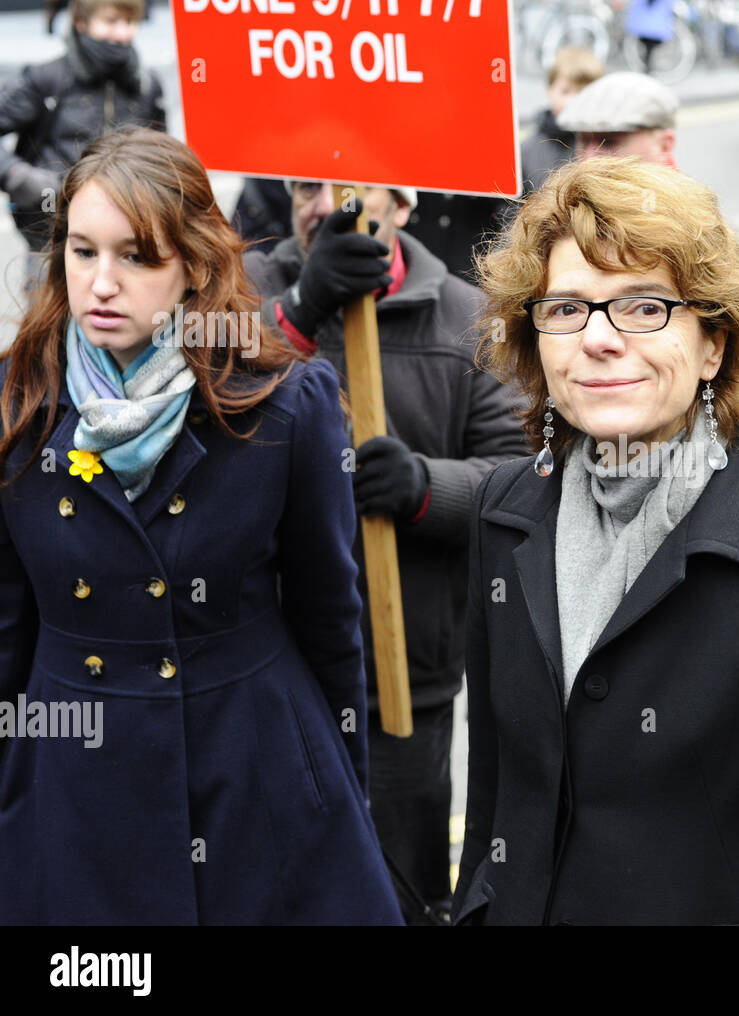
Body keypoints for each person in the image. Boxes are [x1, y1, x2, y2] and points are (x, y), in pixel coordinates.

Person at [451, 157, 739, 925]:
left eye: (643, 308)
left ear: (715, 344)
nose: (599, 340)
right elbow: (495, 795)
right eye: (566, 309)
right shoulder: (502, 511)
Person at [0, 127, 402, 924]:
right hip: (75, 778)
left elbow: (332, 624)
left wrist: (341, 797)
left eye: (136, 256)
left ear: (192, 266)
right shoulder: (17, 408)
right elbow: (6, 635)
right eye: (83, 252)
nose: (101, 284)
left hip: (256, 770)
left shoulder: (286, 403)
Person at [244, 178, 528, 924]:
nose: (320, 205)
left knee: (400, 885)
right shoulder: (244, 294)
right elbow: (204, 402)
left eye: (347, 188)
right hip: (269, 672)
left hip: (409, 679)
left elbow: (520, 478)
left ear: (401, 206)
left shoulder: (468, 317)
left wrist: (425, 487)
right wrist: (303, 310)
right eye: (306, 187)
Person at [0, 0, 165, 261]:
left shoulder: (147, 85)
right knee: (49, 301)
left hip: (123, 232)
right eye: (111, 22)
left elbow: (161, 152)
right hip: (49, 234)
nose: (122, 33)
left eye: (130, 22)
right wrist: (16, 175)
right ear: (82, 23)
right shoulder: (46, 78)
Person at [520, 46, 604, 195]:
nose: (573, 100)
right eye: (565, 91)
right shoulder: (528, 149)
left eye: (582, 92)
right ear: (550, 90)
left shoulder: (603, 144)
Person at [557, 71, 678, 165]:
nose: (588, 160)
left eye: (608, 143)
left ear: (664, 145)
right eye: (584, 142)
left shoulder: (688, 197)